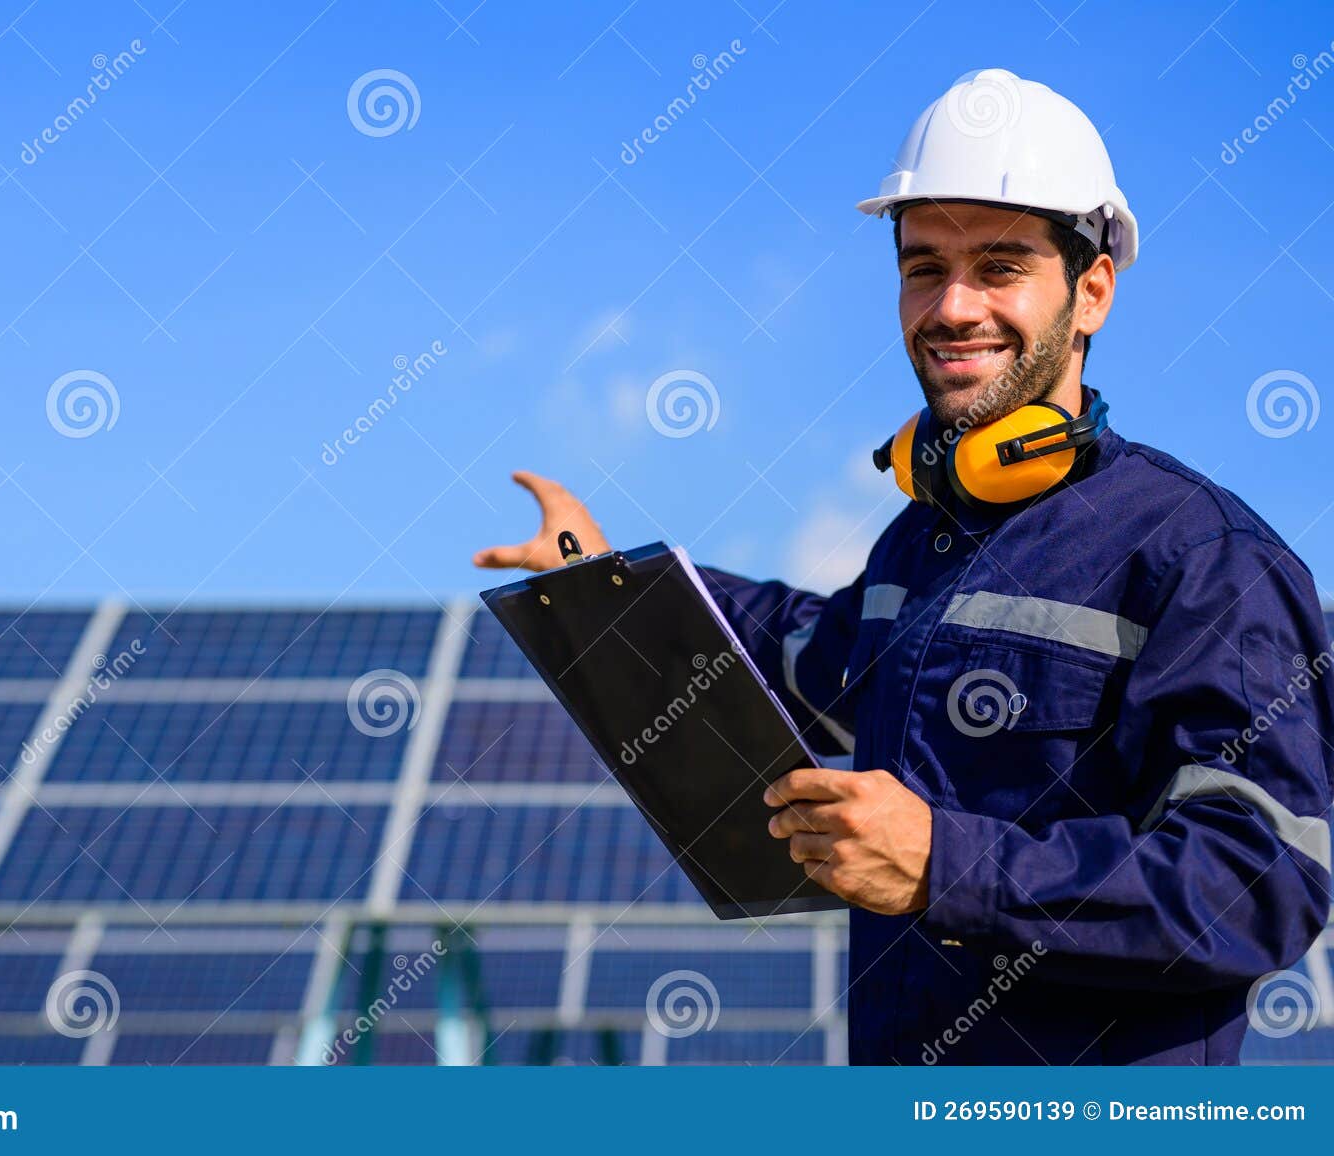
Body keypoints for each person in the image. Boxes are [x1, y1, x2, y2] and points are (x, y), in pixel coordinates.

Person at [473, 69, 1332, 1065]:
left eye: (1000, 267)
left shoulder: (1203, 556)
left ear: (1092, 290)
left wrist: (944, 865)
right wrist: (604, 578)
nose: (953, 307)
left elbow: (1258, 882)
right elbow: (794, 654)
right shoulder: (916, 546)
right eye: (925, 267)